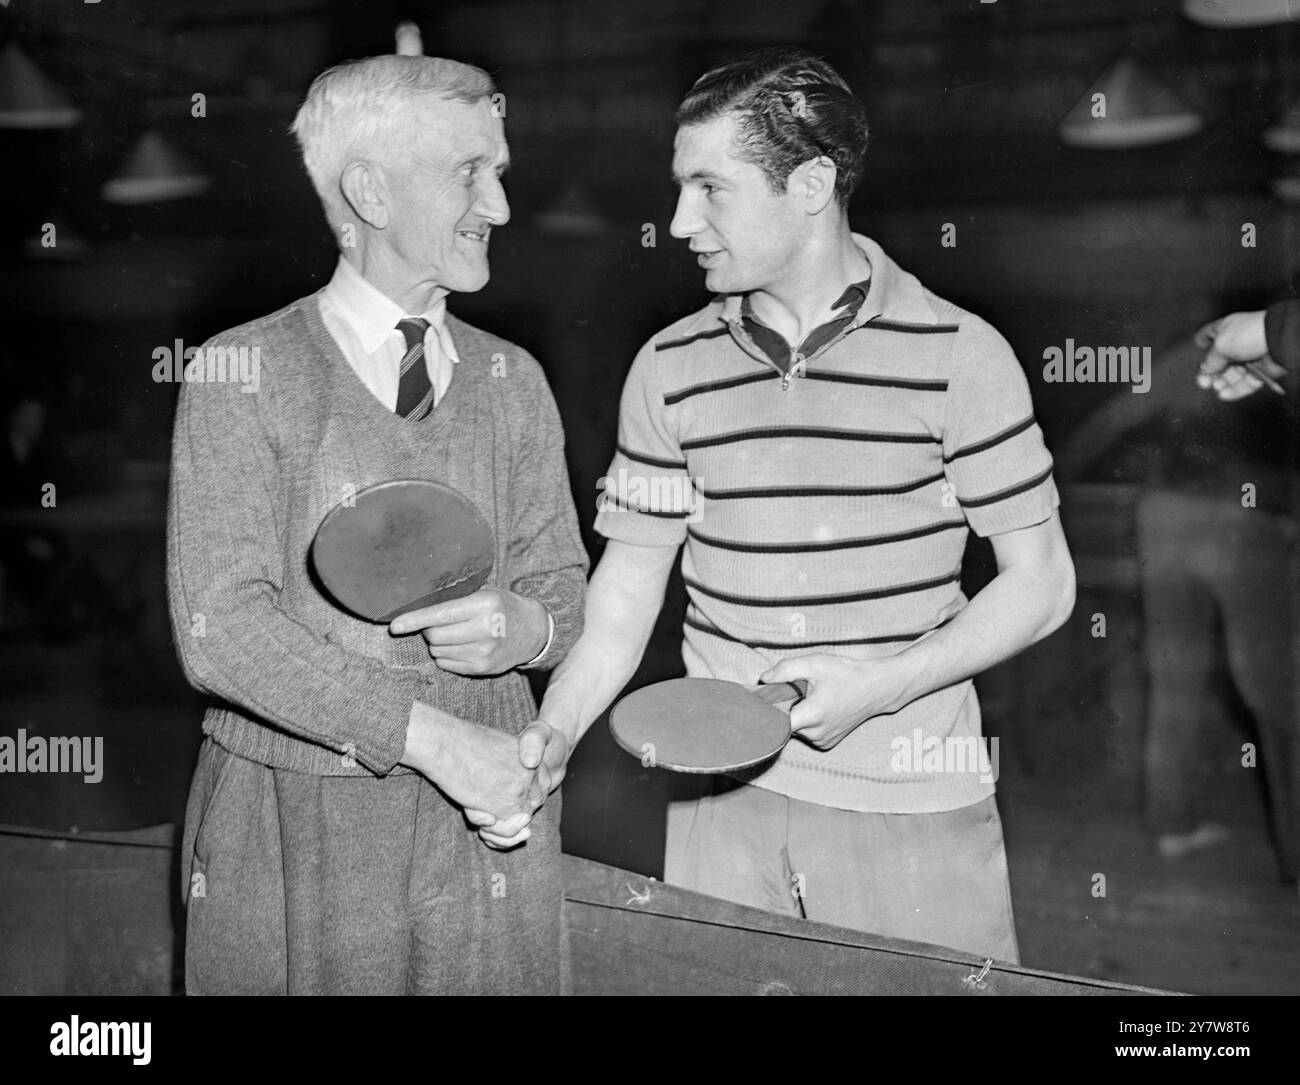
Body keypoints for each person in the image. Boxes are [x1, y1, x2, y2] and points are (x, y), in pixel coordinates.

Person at [492, 48, 1075, 962]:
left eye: (709, 188)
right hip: (720, 796)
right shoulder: (668, 368)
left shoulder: (962, 355)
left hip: (908, 795)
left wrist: (881, 687)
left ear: (811, 185)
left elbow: (1042, 586)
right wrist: (556, 727)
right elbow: (628, 584)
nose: (680, 220)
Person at [167, 54, 587, 994]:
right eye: (470, 171)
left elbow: (563, 582)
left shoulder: (512, 380)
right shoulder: (242, 374)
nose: (503, 206)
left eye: (501, 171)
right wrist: (439, 744)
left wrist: (530, 626)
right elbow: (222, 632)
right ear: (370, 191)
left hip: (492, 827)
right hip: (301, 812)